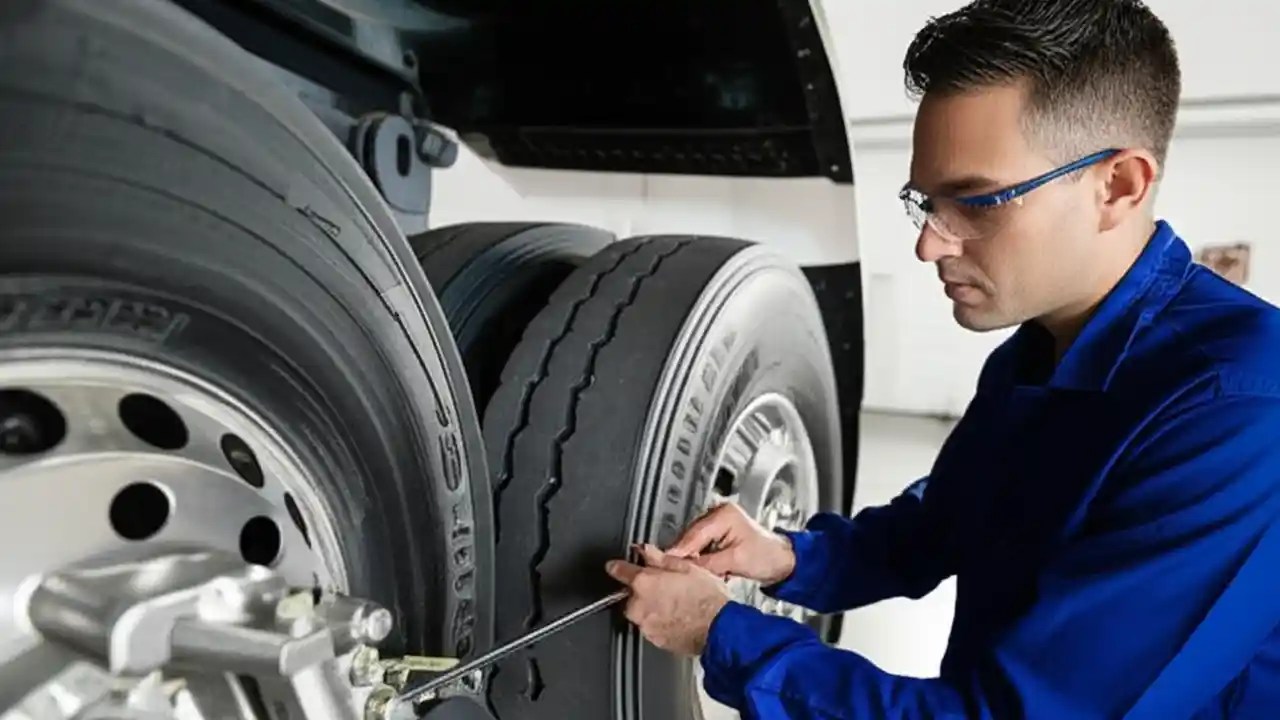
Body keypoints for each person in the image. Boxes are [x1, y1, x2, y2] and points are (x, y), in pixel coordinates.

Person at [604, 0, 1280, 717]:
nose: (930, 245)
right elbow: (950, 522)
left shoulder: (1240, 409)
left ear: (1118, 185)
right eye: (924, 203)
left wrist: (719, 633)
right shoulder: (1037, 351)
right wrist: (791, 557)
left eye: (979, 204)